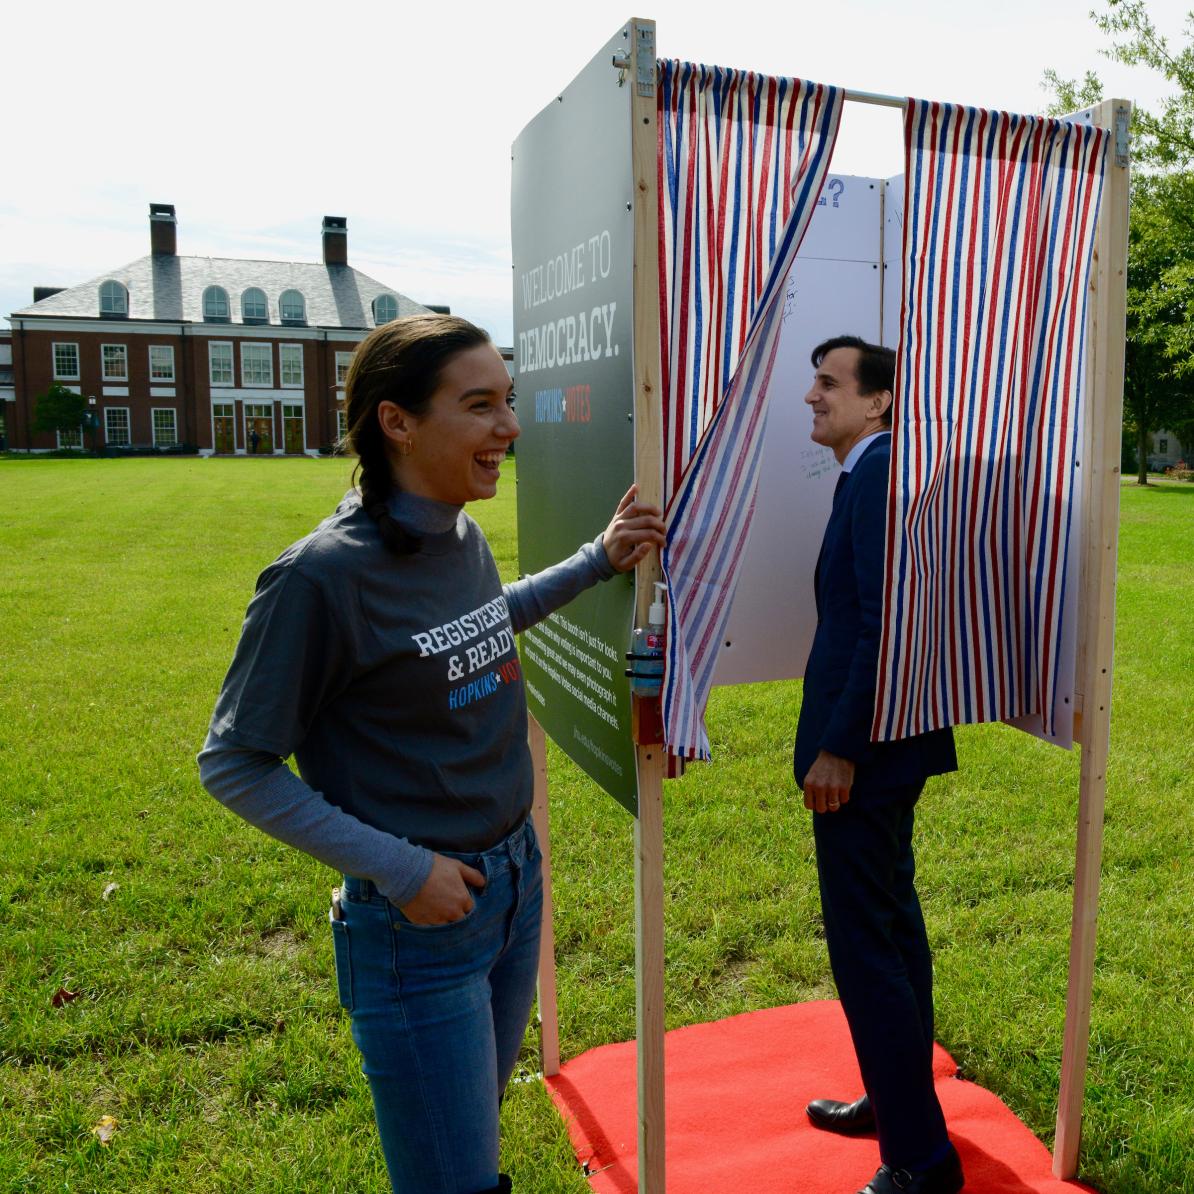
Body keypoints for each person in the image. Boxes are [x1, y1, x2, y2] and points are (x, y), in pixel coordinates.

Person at [198, 313, 666, 1194]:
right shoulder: (318, 579)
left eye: (511, 401)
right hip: (421, 923)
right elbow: (234, 762)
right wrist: (404, 870)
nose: (510, 428)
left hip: (512, 889)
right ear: (397, 422)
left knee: (463, 1153)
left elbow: (480, 626)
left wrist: (594, 561)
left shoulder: (461, 533)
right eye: (481, 406)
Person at [794, 336, 963, 1194]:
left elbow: (883, 628)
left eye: (829, 383)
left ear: (881, 400)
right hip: (885, 751)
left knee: (870, 949)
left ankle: (921, 1160)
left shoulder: (880, 476)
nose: (812, 395)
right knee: (893, 933)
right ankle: (898, 1103)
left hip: (864, 756)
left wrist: (839, 748)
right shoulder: (871, 473)